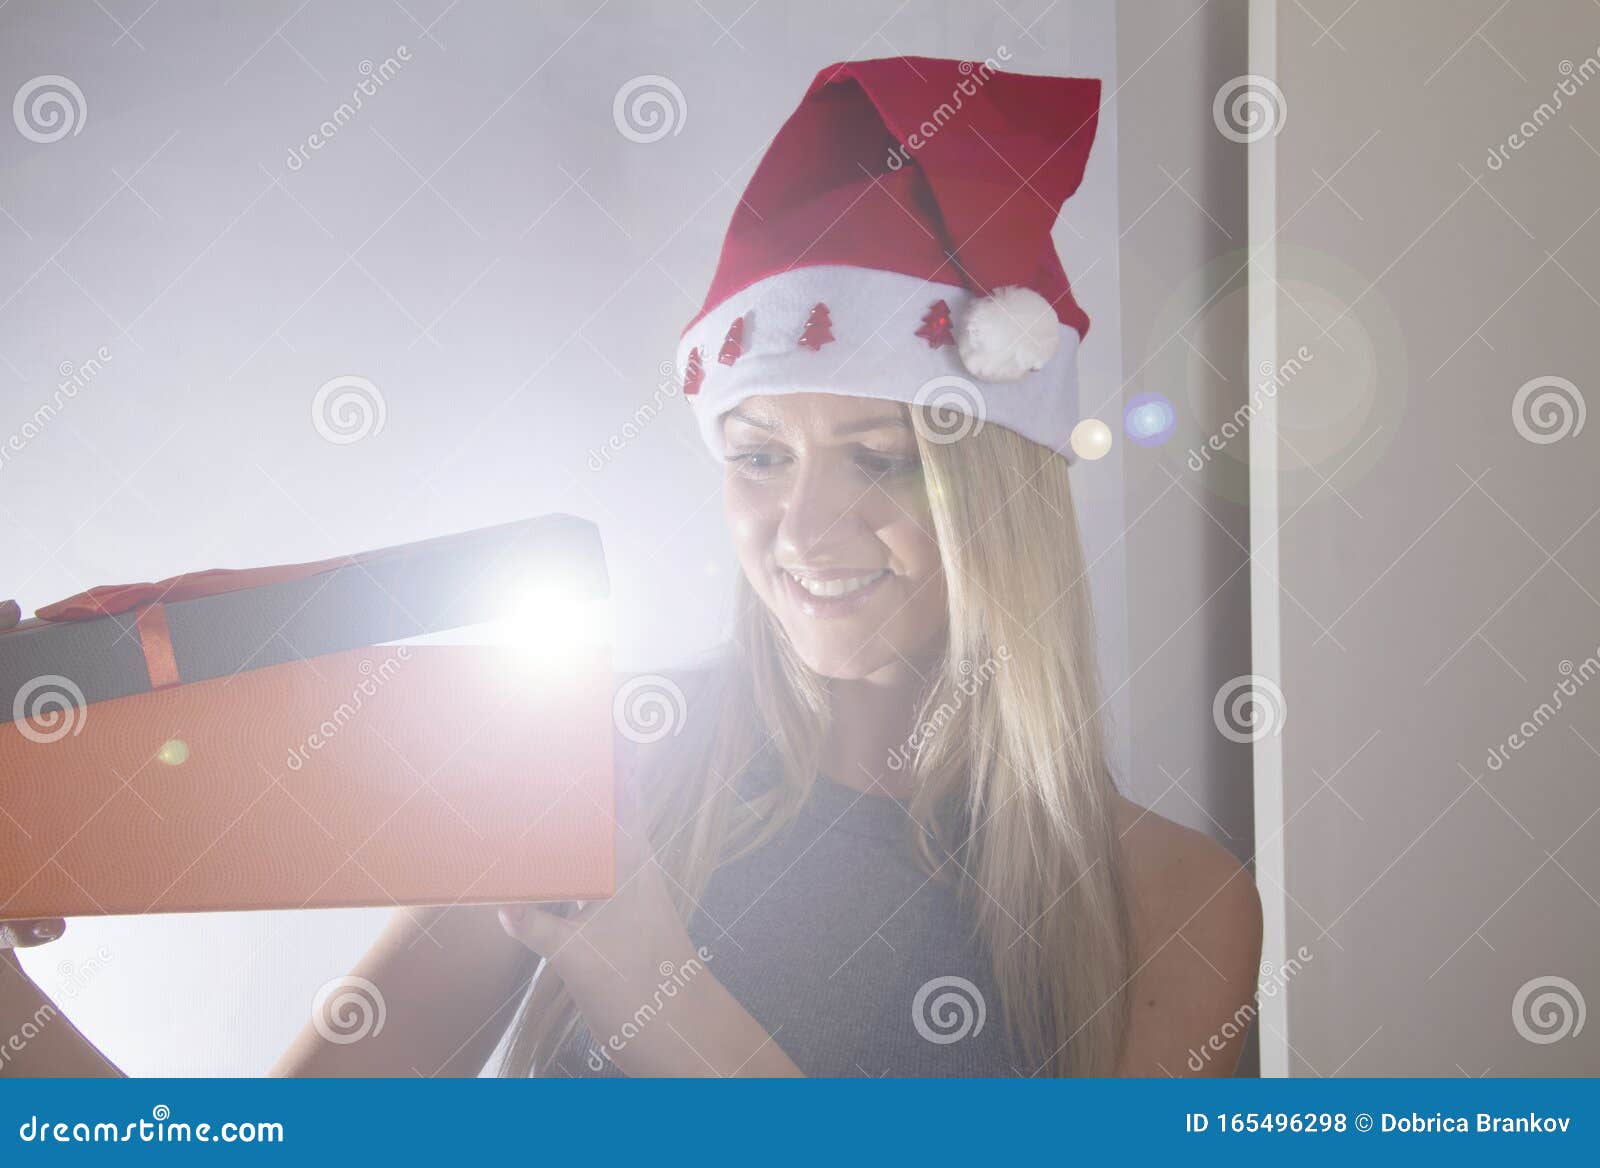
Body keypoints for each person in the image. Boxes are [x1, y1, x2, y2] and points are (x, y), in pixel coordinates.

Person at [0, 55, 1261, 1078]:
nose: (804, 532)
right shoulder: (587, 769)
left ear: (999, 486)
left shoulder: (1170, 901)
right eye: (759, 455)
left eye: (879, 460)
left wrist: (643, 972)